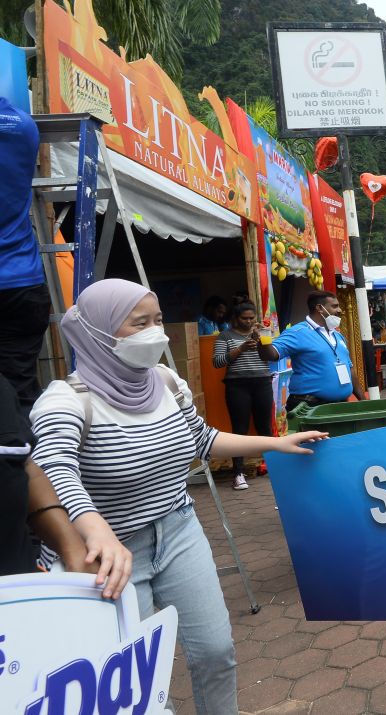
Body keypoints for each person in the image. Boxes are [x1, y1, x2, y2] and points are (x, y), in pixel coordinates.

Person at [30, 279, 327, 714]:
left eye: (158, 320)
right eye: (140, 324)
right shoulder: (65, 402)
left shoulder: (165, 382)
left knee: (215, 651)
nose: (158, 333)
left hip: (179, 530)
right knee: (135, 682)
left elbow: (202, 440)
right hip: (109, 558)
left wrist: (274, 442)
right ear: (98, 331)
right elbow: (51, 471)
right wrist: (96, 532)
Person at [1, 373, 89, 577]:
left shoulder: (2, 391)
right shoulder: (61, 401)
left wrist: (72, 548)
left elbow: (23, 462)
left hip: (20, 586)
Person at [0, 97, 52, 416]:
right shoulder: (23, 126)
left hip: (23, 286)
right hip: (24, 283)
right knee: (20, 392)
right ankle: (27, 463)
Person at [257, 291, 363, 411]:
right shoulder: (297, 332)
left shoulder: (337, 335)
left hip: (340, 405)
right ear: (320, 308)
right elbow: (270, 355)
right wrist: (263, 338)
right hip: (310, 406)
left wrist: (363, 401)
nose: (339, 310)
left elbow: (350, 369)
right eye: (334, 306)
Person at [211, 302, 273, 491]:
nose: (248, 321)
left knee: (265, 427)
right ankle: (238, 473)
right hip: (237, 385)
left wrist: (262, 340)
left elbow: (270, 356)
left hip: (262, 382)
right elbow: (217, 362)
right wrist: (241, 349)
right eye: (244, 318)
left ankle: (275, 467)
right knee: (239, 429)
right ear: (236, 319)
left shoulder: (262, 333)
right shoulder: (226, 336)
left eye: (251, 318)